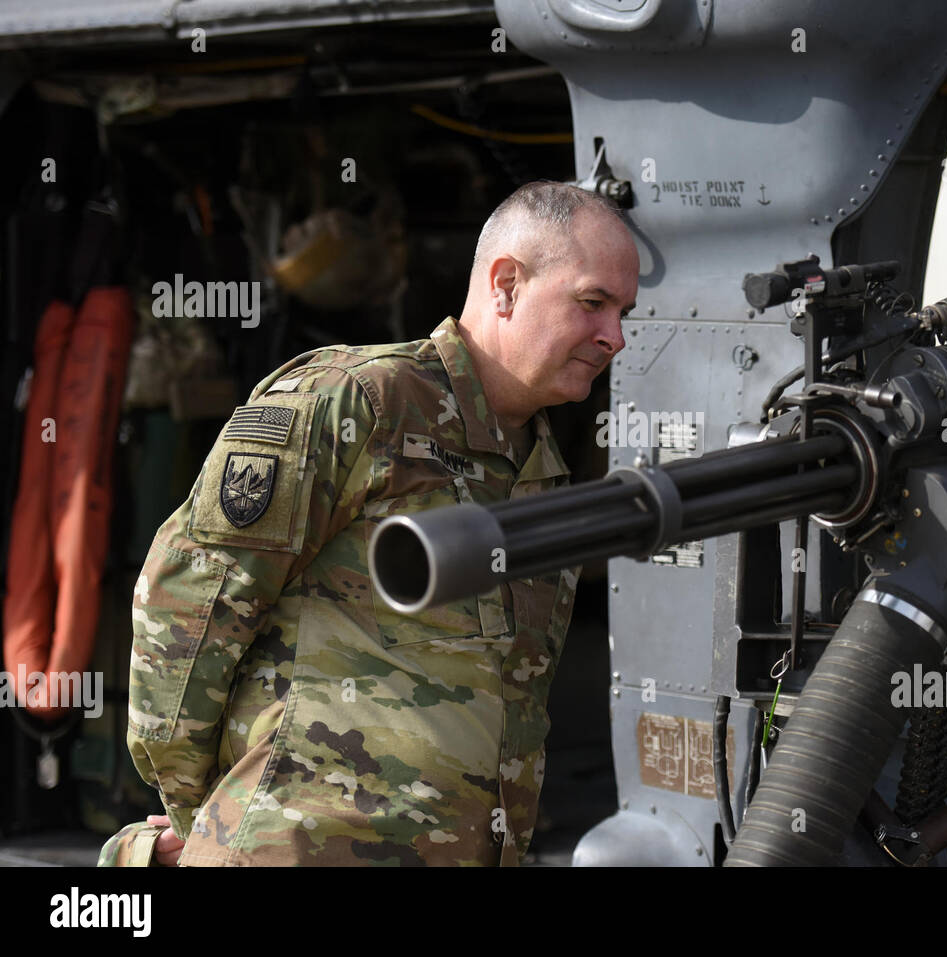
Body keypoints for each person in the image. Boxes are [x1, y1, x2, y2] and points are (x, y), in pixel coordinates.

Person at [98, 180, 639, 865]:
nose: (614, 336)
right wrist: (211, 814)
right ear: (505, 285)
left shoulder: (539, 469)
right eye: (593, 303)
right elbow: (187, 604)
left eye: (624, 312)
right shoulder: (360, 402)